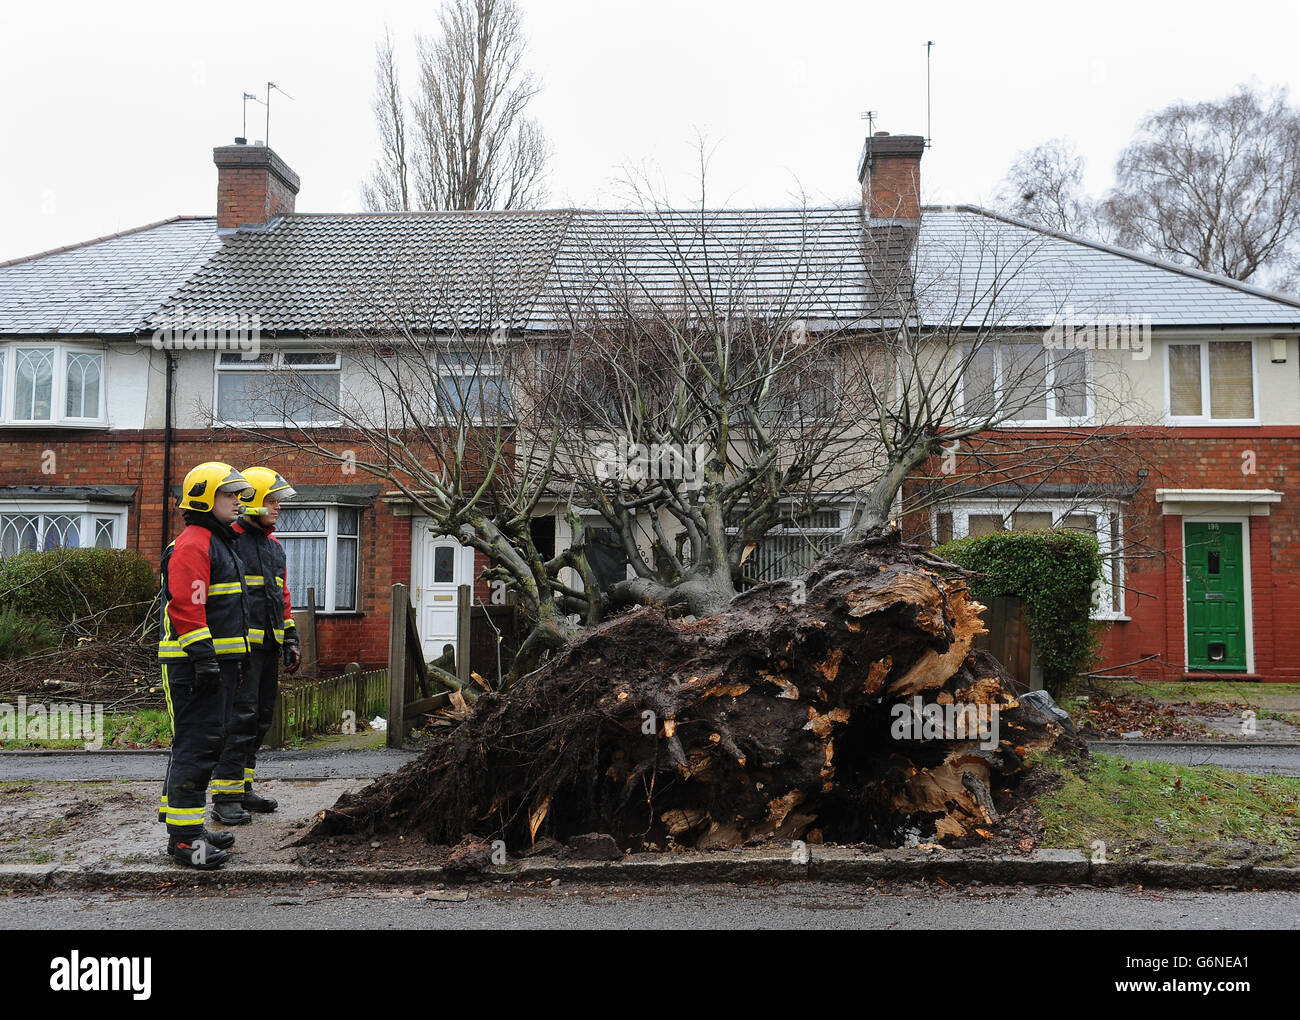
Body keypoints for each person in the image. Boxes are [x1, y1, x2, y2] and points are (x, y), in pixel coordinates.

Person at [157, 461, 253, 869]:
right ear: (204, 497)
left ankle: (188, 828)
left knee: (204, 746)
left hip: (215, 665)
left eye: (238, 494)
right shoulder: (195, 543)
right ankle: (184, 843)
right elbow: (186, 608)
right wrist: (204, 661)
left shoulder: (217, 541)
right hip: (194, 667)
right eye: (229, 494)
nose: (238, 502)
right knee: (196, 748)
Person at [209, 467, 301, 825]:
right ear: (250, 503)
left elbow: (282, 597)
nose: (277, 507)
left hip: (266, 650)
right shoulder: (228, 541)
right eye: (271, 500)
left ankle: (243, 788)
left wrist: (290, 639)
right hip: (238, 653)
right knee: (239, 719)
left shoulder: (274, 547)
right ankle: (225, 796)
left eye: (278, 501)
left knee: (261, 719)